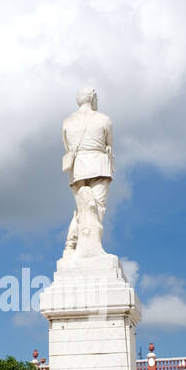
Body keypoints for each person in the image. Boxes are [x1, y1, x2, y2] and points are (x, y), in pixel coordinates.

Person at [62, 87, 114, 255]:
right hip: (99, 165)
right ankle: (92, 247)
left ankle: (71, 244)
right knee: (96, 207)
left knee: (82, 208)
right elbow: (109, 144)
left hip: (78, 167)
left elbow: (67, 146)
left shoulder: (67, 122)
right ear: (92, 98)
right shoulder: (103, 119)